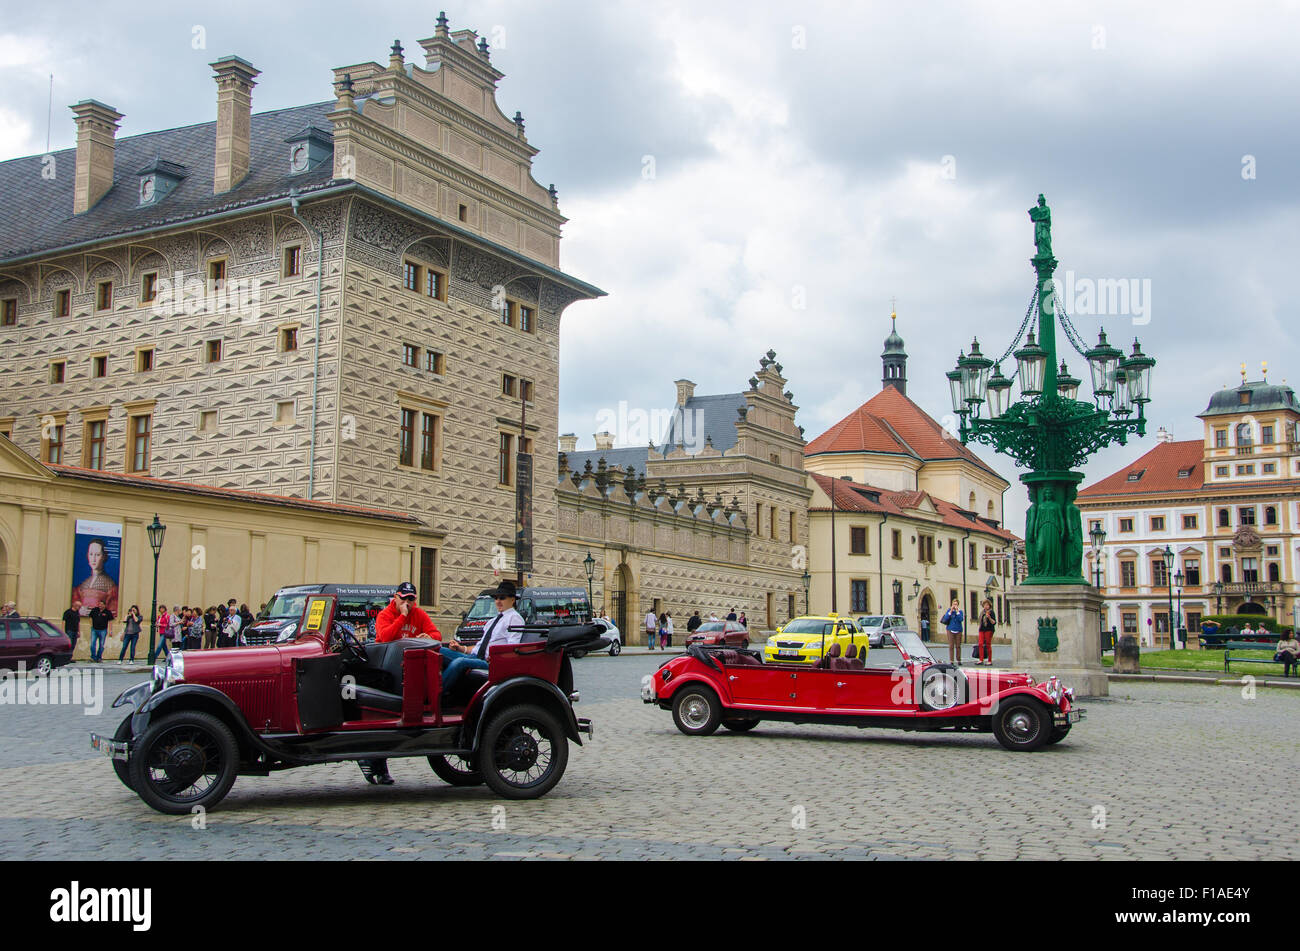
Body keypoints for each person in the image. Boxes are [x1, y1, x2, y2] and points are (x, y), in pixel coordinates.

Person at [71, 537, 119, 617]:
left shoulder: (110, 585)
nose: (93, 559)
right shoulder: (83, 584)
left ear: (103, 556)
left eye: (97, 555)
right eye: (91, 554)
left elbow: (112, 612)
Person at [940, 599, 965, 666]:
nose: (955, 606)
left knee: (958, 646)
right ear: (952, 604)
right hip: (950, 629)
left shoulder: (960, 612)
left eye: (956, 604)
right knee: (951, 646)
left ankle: (959, 660)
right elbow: (946, 618)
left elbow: (961, 619)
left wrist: (957, 611)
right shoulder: (949, 611)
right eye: (954, 604)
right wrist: (951, 611)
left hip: (958, 630)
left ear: (958, 605)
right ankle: (951, 660)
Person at [976, 599, 996, 666]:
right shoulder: (982, 613)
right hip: (982, 629)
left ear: (989, 606)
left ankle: (989, 660)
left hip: (989, 629)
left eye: (987, 605)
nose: (986, 606)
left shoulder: (991, 612)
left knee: (988, 644)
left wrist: (989, 618)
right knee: (980, 644)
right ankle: (981, 659)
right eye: (984, 605)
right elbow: (980, 621)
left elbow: (994, 622)